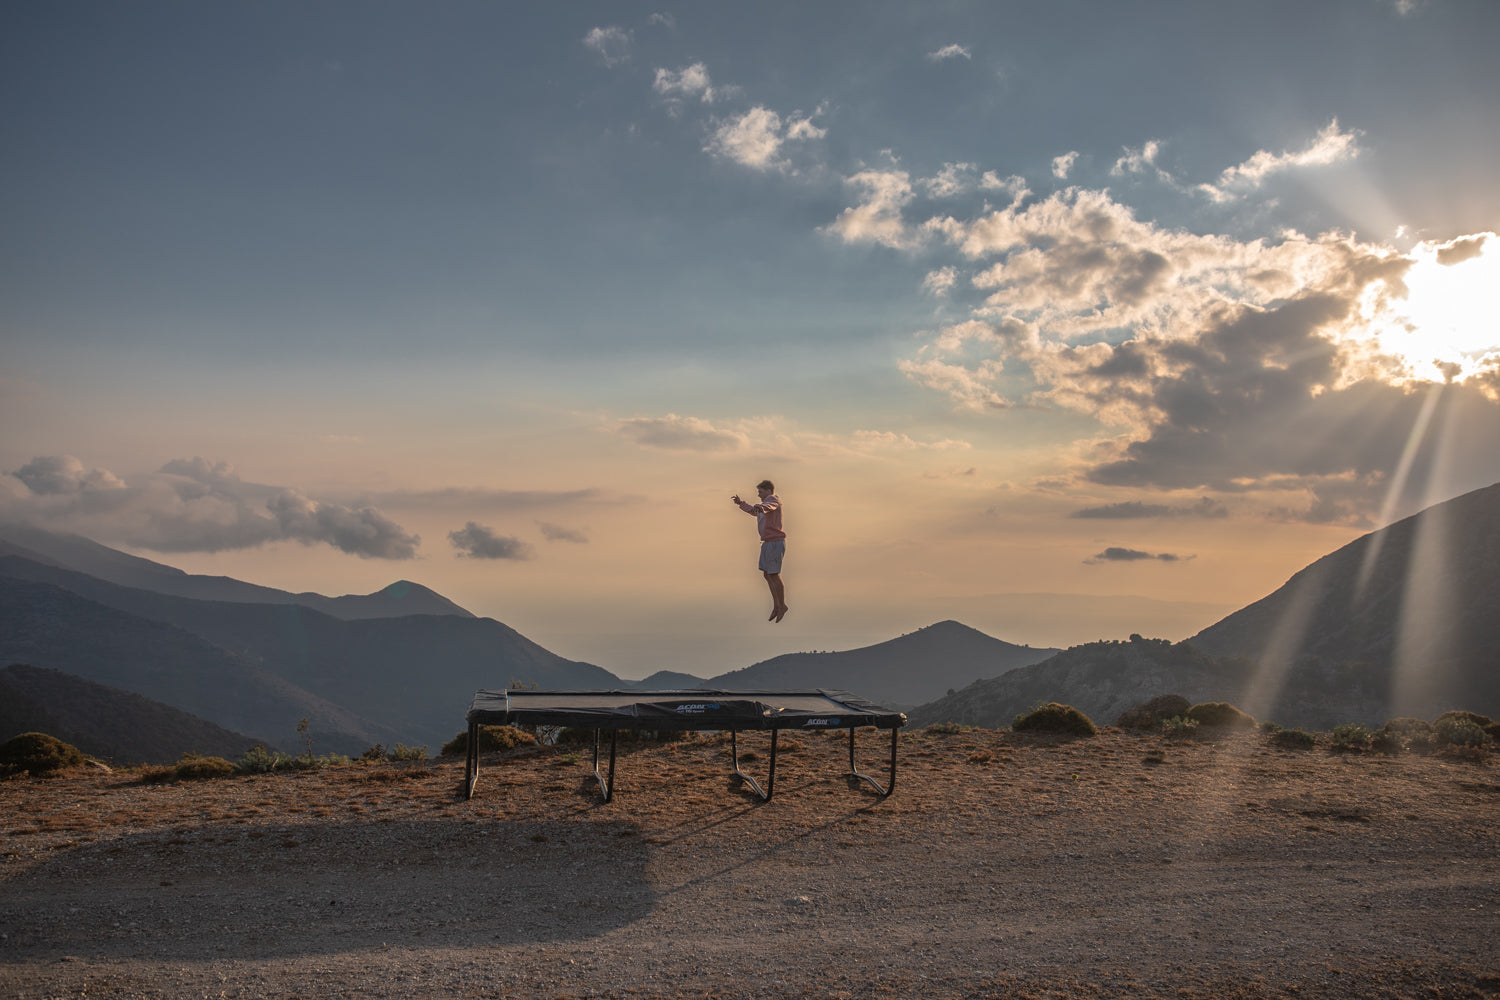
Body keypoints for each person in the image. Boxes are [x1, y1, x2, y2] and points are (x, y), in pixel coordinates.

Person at [731, 480, 787, 623]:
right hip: (767, 542)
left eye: (760, 492)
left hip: (775, 542)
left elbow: (767, 507)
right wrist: (741, 504)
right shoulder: (763, 506)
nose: (758, 494)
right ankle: (777, 605)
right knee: (767, 574)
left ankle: (782, 606)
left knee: (774, 574)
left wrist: (759, 507)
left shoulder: (773, 500)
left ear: (768, 490)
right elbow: (755, 512)